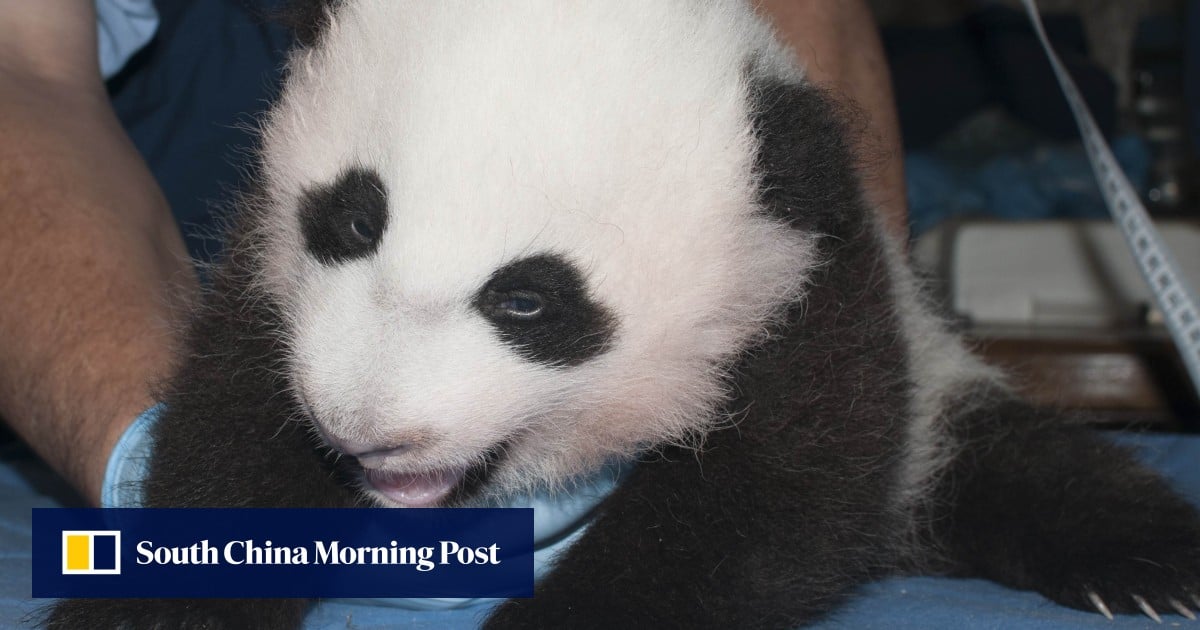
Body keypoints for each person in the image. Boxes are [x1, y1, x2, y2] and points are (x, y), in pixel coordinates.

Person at [0, 0, 906, 507]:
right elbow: (19, 64)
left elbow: (797, 73)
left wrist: (835, 395)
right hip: (172, 171)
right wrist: (176, 500)